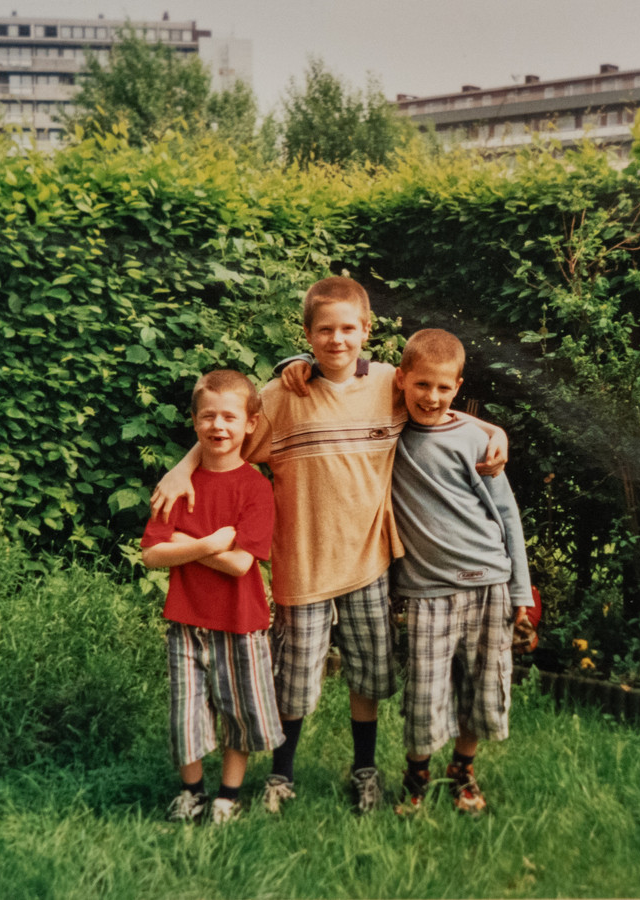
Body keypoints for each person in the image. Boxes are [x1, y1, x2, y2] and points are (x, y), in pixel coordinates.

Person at [150, 276, 507, 815]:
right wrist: (184, 465)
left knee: (368, 676)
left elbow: (433, 395)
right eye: (324, 331)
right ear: (308, 334)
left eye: (348, 328)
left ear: (367, 330)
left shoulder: (390, 384)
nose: (337, 340)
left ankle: (364, 770)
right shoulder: (283, 395)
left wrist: (488, 425)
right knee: (293, 683)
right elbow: (225, 430)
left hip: (368, 564)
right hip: (303, 566)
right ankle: (282, 774)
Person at [389, 328, 534, 816]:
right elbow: (337, 377)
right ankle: (416, 776)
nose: (432, 397)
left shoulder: (478, 440)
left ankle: (463, 771)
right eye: (421, 385)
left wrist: (521, 592)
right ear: (401, 380)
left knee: (483, 682)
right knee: (425, 690)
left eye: (443, 387)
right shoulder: (386, 432)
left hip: (489, 579)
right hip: (427, 588)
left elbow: (507, 516)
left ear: (458, 385)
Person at [140, 369, 283, 825]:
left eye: (229, 417)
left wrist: (183, 543)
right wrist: (207, 543)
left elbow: (243, 564)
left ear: (250, 424)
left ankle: (228, 795)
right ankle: (191, 793)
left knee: (237, 711)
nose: (218, 426)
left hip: (240, 621)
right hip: (186, 620)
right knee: (186, 713)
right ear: (194, 422)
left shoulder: (257, 488)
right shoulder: (177, 486)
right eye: (208, 417)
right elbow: (151, 555)